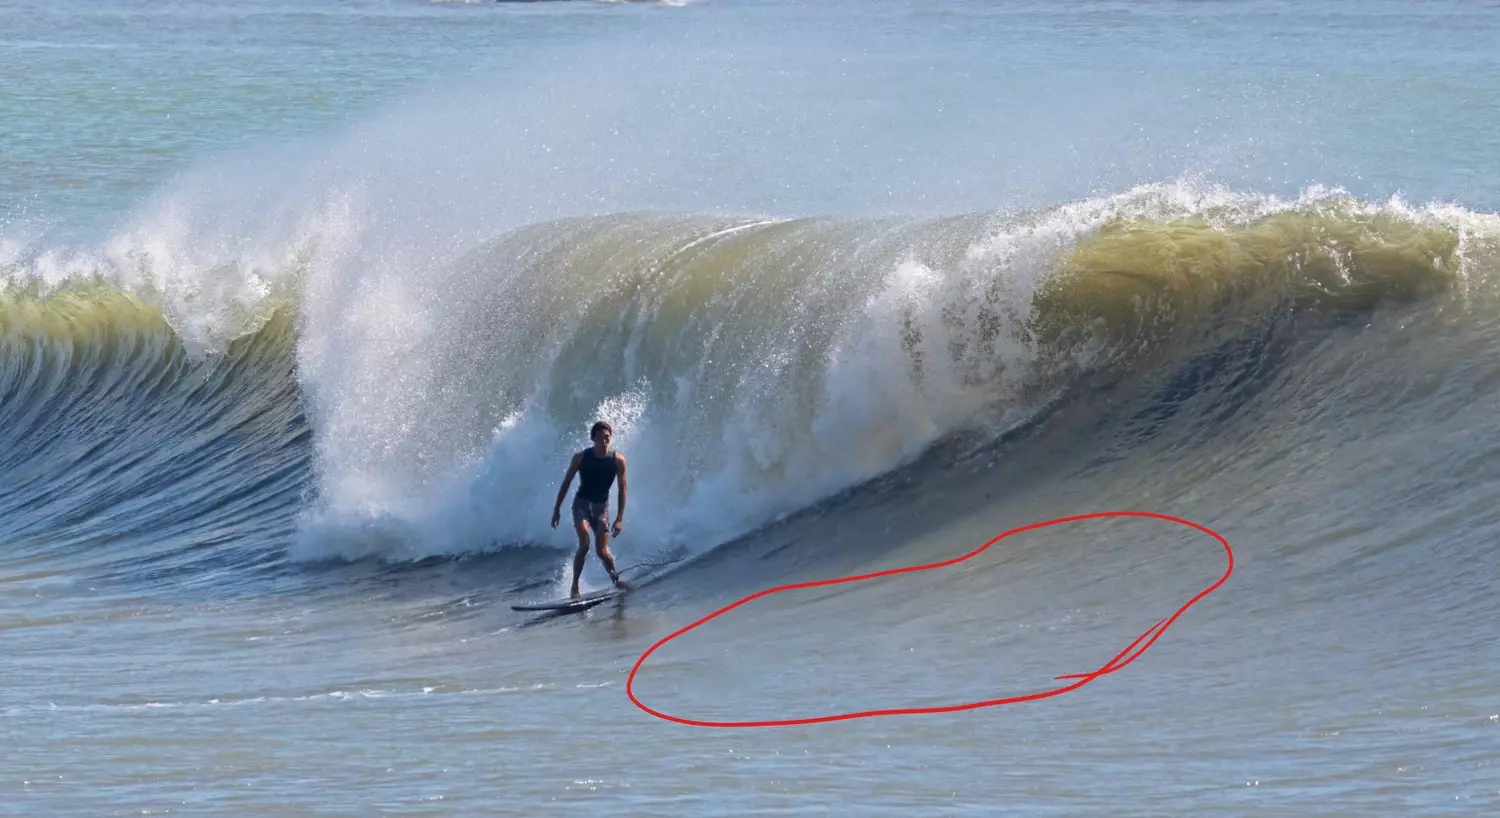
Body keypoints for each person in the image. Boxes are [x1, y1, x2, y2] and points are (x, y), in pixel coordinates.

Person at [551, 420, 630, 600]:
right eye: (601, 437)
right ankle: (574, 588)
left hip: (601, 508)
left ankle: (616, 580)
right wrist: (556, 510)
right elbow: (566, 483)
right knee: (584, 544)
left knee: (602, 551)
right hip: (581, 506)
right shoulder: (580, 457)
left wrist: (619, 519)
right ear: (593, 438)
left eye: (607, 437)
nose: (604, 441)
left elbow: (622, 489)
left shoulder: (618, 461)